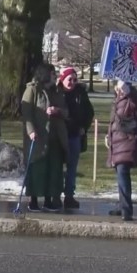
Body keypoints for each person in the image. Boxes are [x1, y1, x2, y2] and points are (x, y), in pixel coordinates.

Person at [21, 63, 68, 212]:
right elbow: (26, 113)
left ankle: (49, 200)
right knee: (37, 168)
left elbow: (66, 111)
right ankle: (33, 200)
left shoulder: (56, 91)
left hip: (55, 137)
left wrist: (58, 110)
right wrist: (31, 131)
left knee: (52, 169)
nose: (55, 76)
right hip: (38, 136)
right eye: (53, 73)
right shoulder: (33, 89)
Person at [105, 80, 137, 221]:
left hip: (127, 141)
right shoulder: (117, 99)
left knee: (123, 173)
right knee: (120, 174)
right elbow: (114, 121)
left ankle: (127, 210)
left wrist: (128, 90)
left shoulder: (132, 98)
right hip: (117, 142)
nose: (118, 89)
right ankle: (122, 205)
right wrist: (109, 136)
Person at [57, 67, 94, 210]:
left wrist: (84, 127)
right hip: (58, 135)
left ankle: (69, 196)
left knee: (71, 168)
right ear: (62, 80)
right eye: (69, 79)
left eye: (74, 79)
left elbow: (89, 112)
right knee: (57, 166)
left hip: (74, 135)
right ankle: (55, 195)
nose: (72, 82)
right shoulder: (56, 93)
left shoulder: (80, 93)